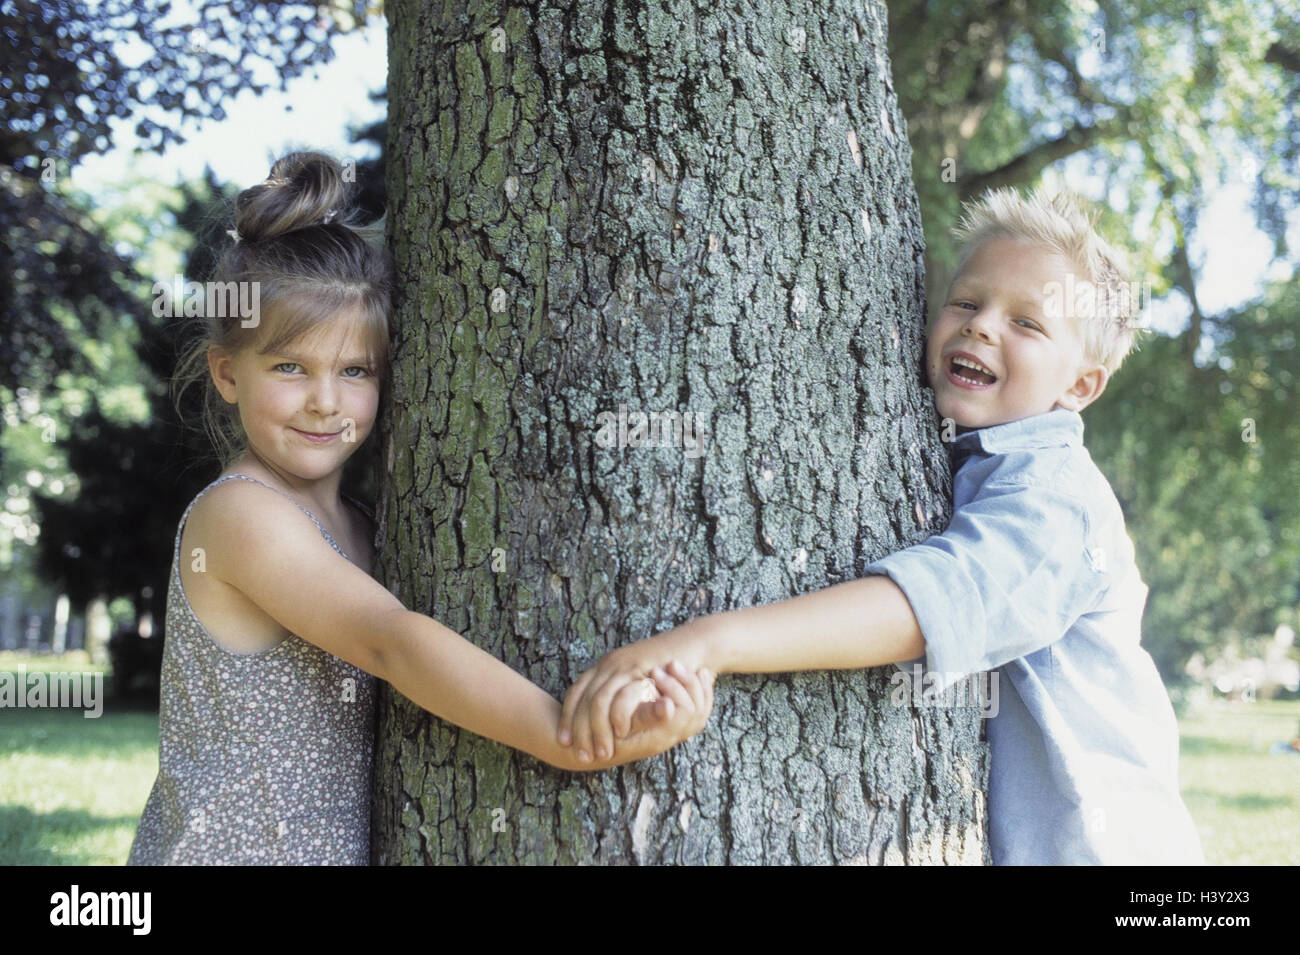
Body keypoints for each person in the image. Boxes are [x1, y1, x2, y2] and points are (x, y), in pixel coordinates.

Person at [558, 187, 1205, 865]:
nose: (982, 326)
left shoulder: (1057, 500)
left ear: (1080, 386)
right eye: (967, 302)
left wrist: (708, 642)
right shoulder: (966, 462)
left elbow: (931, 605)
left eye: (1028, 323)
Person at [128, 152, 713, 865]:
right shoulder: (238, 517)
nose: (325, 399)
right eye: (290, 367)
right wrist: (561, 731)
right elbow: (388, 640)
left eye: (354, 371)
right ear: (227, 373)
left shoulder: (370, 522)